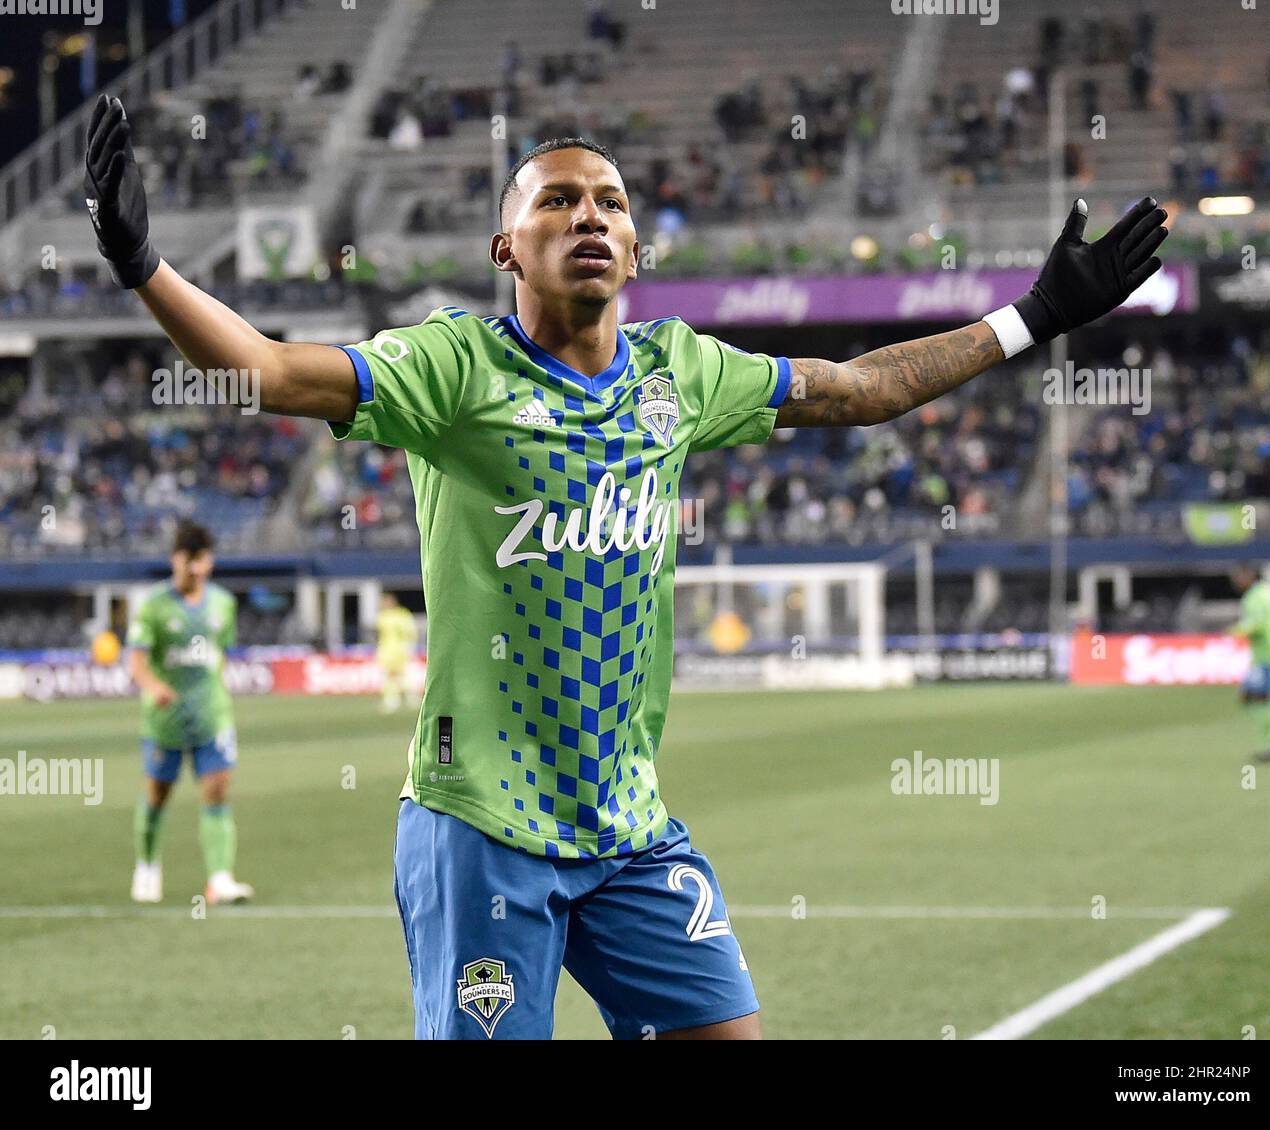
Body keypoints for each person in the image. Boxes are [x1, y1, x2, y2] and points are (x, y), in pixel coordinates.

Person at [83, 93, 1166, 1038]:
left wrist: (1032, 317)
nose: (588, 213)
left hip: (629, 826)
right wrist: (145, 267)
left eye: (608, 199)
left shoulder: (680, 372)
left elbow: (857, 388)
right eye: (554, 200)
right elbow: (267, 369)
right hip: (482, 827)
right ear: (506, 247)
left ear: (637, 249)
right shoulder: (452, 367)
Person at [126, 520, 253, 905]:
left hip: (211, 716)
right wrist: (155, 687)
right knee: (158, 794)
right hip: (165, 720)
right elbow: (136, 664)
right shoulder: (152, 605)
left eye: (202, 562)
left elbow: (221, 656)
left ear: (209, 562)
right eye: (188, 562)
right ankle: (147, 865)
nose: (195, 570)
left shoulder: (223, 604)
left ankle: (220, 878)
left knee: (216, 790)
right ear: (174, 560)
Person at [1230, 565, 1270, 763]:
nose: (1236, 580)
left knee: (1253, 697)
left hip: (1263, 655)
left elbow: (1256, 623)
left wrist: (1235, 630)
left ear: (1248, 575)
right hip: (1268, 652)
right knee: (1256, 697)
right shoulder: (1267, 592)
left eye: (1238, 575)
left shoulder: (1254, 598)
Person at [376, 592, 419, 713]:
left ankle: (411, 697)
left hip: (400, 649)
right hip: (386, 650)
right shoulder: (382, 616)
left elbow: (410, 631)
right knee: (389, 676)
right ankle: (391, 700)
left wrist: (410, 645)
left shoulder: (402, 614)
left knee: (405, 674)